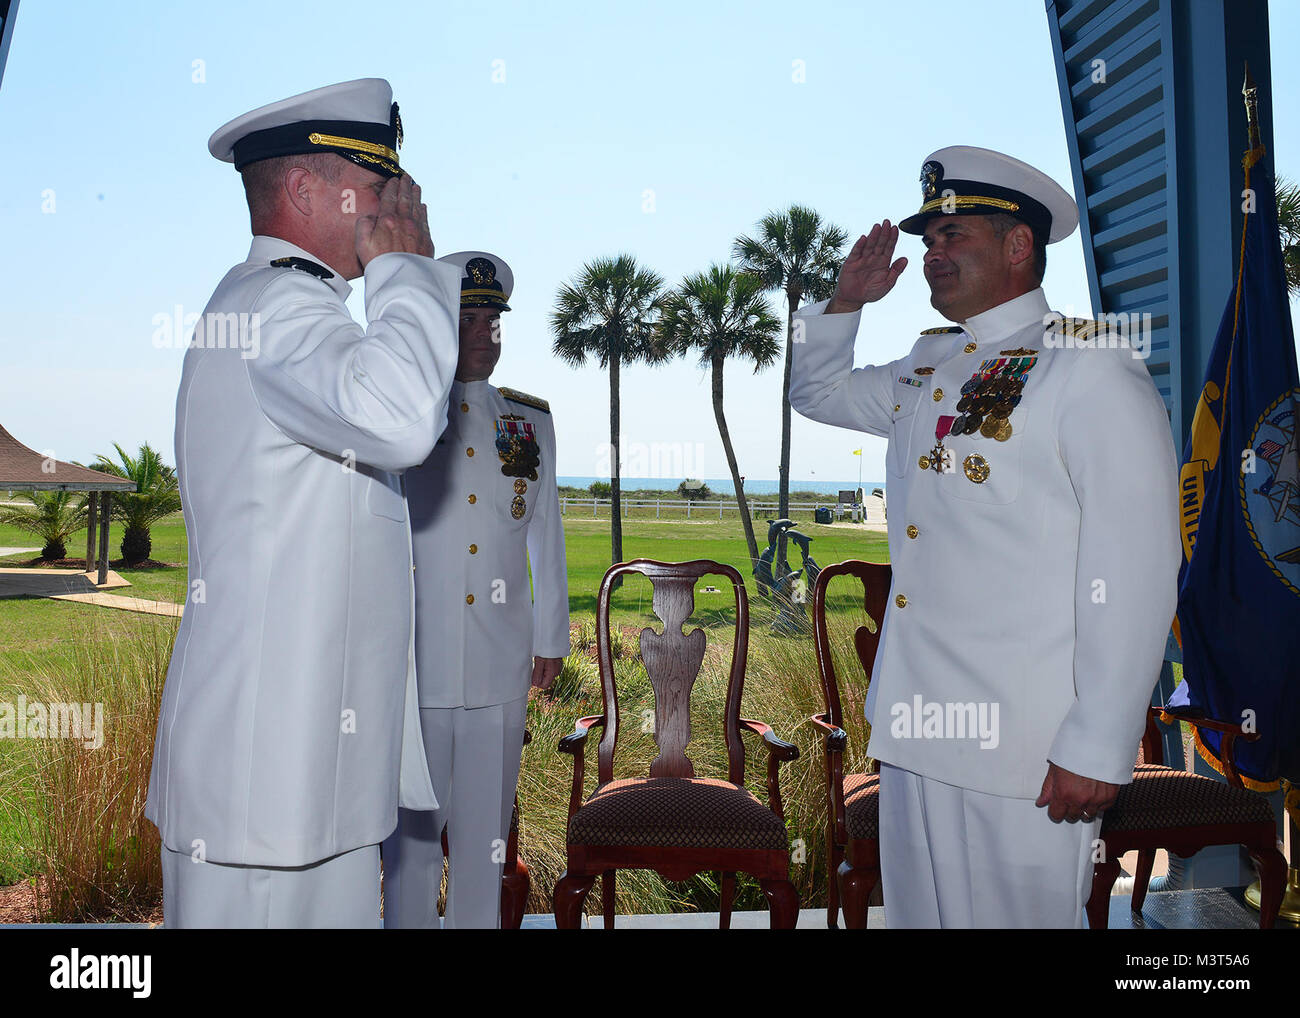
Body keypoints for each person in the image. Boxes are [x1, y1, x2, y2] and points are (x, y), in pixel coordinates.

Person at [789, 146, 1180, 928]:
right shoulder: (930, 365)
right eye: (928, 239)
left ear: (1018, 245)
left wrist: (1099, 742)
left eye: (953, 234)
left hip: (1028, 749)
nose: (933, 253)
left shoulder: (1089, 367)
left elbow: (1135, 569)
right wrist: (844, 303)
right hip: (916, 732)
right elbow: (815, 389)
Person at [145, 78, 463, 928]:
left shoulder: (288, 309)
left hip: (307, 774)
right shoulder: (275, 307)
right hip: (266, 784)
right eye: (378, 183)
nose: (398, 202)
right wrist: (407, 268)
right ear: (303, 191)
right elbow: (399, 420)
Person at [382, 251, 570, 928]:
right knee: (410, 846)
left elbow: (546, 533)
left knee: (485, 844)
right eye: (468, 320)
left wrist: (551, 637)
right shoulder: (404, 417)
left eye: (493, 321)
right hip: (416, 663)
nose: (484, 334)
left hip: (499, 662)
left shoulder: (528, 422)